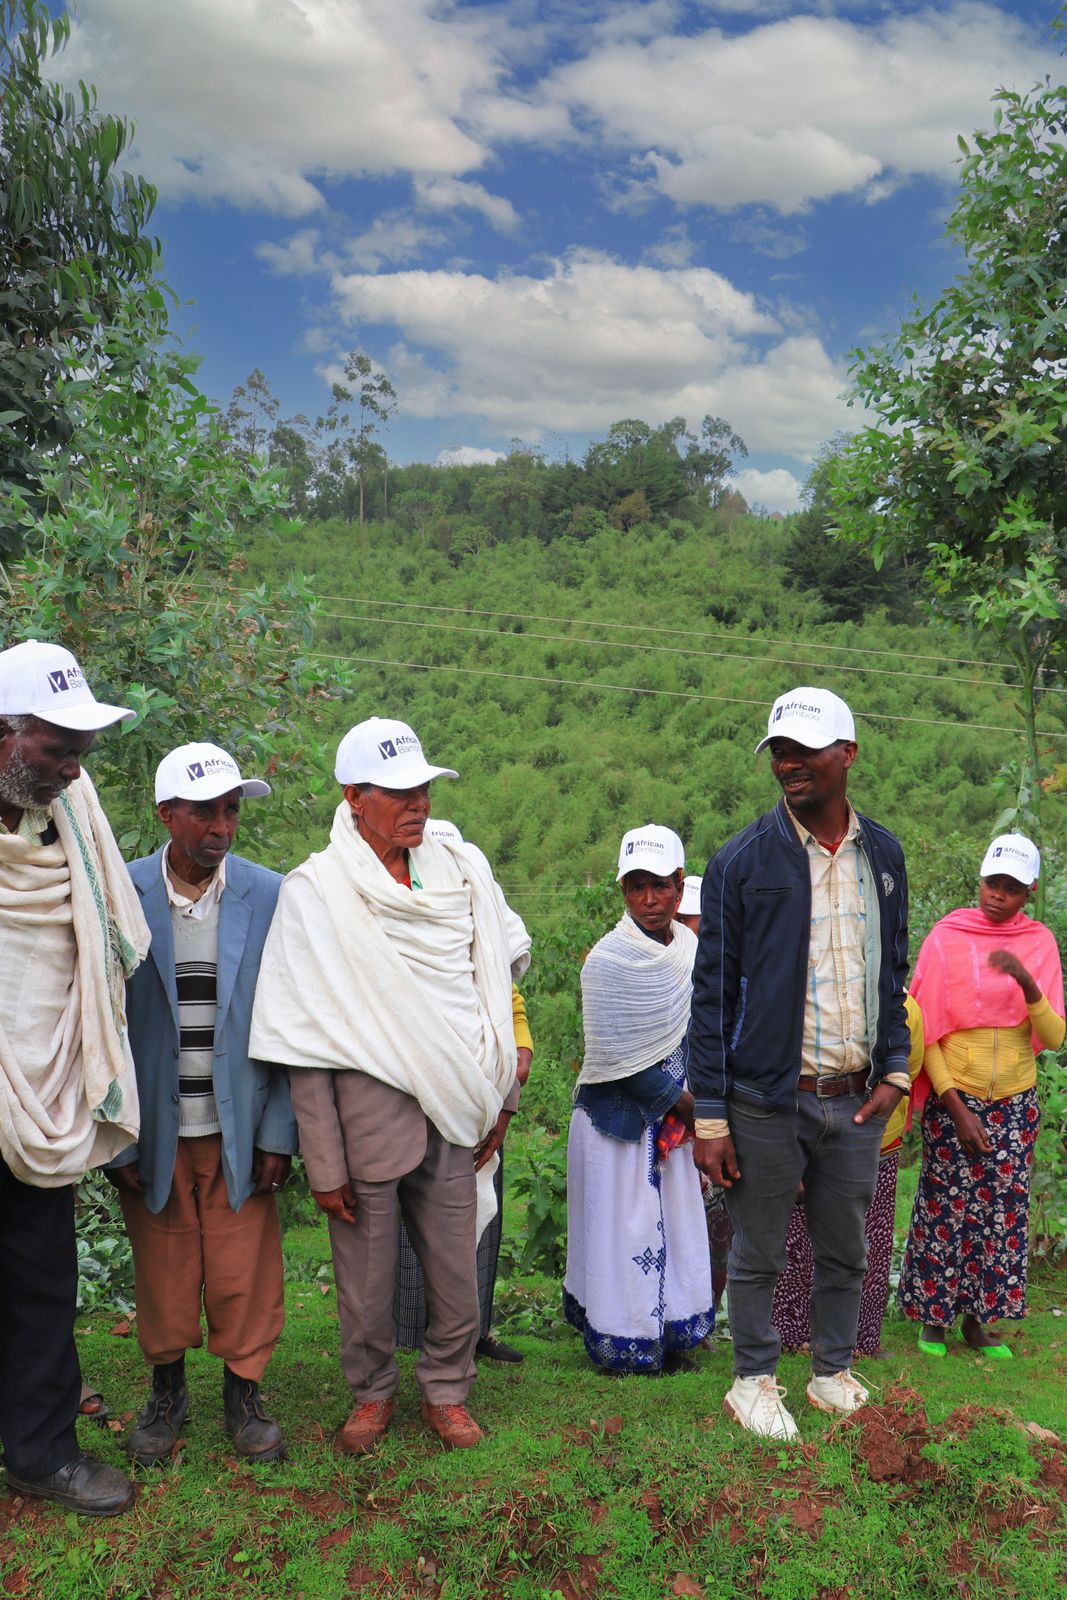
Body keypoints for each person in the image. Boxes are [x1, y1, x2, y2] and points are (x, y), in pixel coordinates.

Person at [249, 718, 530, 1453]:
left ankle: (446, 1390)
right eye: (399, 791)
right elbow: (302, 1042)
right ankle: (371, 1395)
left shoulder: (460, 872)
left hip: (460, 1106)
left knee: (455, 1272)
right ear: (354, 796)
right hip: (365, 1124)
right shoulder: (317, 892)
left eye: (424, 789)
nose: (418, 804)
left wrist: (502, 1097)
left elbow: (493, 988)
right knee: (365, 1284)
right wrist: (325, 1161)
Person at [688, 686, 910, 1439]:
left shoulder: (881, 854)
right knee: (757, 1247)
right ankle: (751, 1380)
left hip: (852, 1098)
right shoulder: (741, 863)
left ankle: (829, 1372)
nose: (787, 763)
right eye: (777, 752)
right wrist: (711, 1116)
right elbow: (711, 995)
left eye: (804, 750)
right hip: (768, 1098)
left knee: (845, 1245)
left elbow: (892, 971)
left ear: (846, 754)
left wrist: (895, 1069)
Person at [109, 743, 297, 1465]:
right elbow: (102, 1022)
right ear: (165, 814)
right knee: (162, 1260)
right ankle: (166, 1390)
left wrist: (279, 1129)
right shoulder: (121, 894)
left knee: (244, 1260)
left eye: (231, 809)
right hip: (153, 1124)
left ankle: (243, 1395)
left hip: (240, 1123)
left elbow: (290, 1021)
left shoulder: (269, 894)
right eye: (204, 810)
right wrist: (118, 1138)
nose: (222, 825)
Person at [0, 640, 149, 1517]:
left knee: (41, 1275)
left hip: (40, 1087)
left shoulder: (73, 818)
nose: (70, 768)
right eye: (55, 748)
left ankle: (43, 1451)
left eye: (79, 752)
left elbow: (97, 945)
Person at [898, 833, 1063, 1358]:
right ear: (980, 880)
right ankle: (933, 1320)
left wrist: (1028, 986)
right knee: (946, 1202)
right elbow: (927, 1031)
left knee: (1002, 1209)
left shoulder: (1040, 944)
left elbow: (1056, 1037)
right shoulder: (947, 937)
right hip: (957, 1094)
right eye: (992, 883)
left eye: (1012, 888)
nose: (998, 895)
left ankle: (978, 1320)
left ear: (1029, 892)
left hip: (1015, 1097)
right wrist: (954, 1103)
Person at [564, 825, 714, 1374]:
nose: (649, 900)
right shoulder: (607, 962)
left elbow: (703, 1033)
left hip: (674, 1121)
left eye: (660, 887)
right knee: (622, 1233)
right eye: (636, 887)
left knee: (672, 1227)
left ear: (680, 886)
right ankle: (622, 1342)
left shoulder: (692, 950)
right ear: (623, 891)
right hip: (620, 1125)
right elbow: (622, 1061)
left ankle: (671, 1339)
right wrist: (694, 1109)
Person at [394, 819, 533, 1367]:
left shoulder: (482, 939)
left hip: (479, 1106)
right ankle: (411, 1334)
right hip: (414, 1102)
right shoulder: (410, 936)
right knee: (411, 1229)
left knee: (480, 1222)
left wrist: (506, 1093)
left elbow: (512, 1022)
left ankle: (473, 1332)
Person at [772, 995, 923, 1359]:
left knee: (866, 1243)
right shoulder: (807, 998)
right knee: (797, 1241)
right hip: (806, 1132)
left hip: (876, 1140)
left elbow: (909, 1067)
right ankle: (792, 1336)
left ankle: (863, 1339)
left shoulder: (905, 1009)